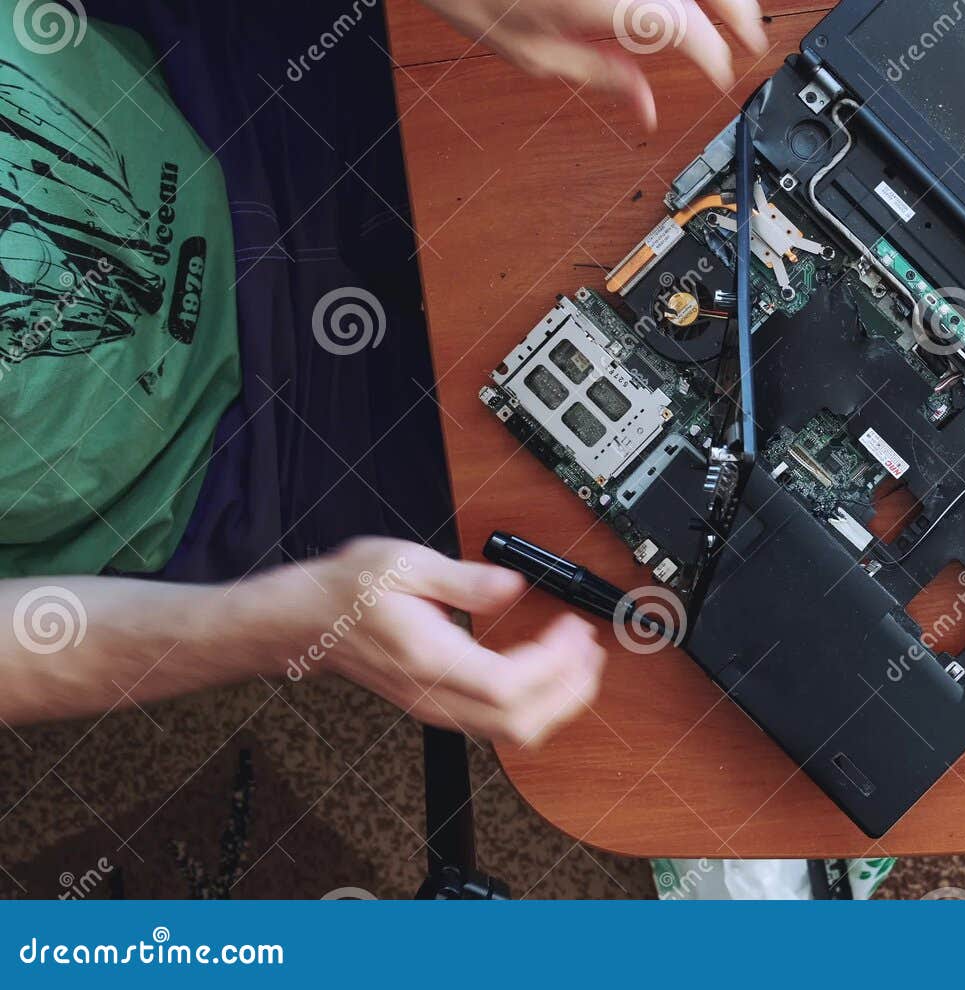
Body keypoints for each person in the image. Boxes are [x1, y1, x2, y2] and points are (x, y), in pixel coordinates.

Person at [0, 0, 767, 746]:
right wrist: (282, 628)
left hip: (244, 69)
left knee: (726, 115)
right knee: (712, 596)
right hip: (232, 464)